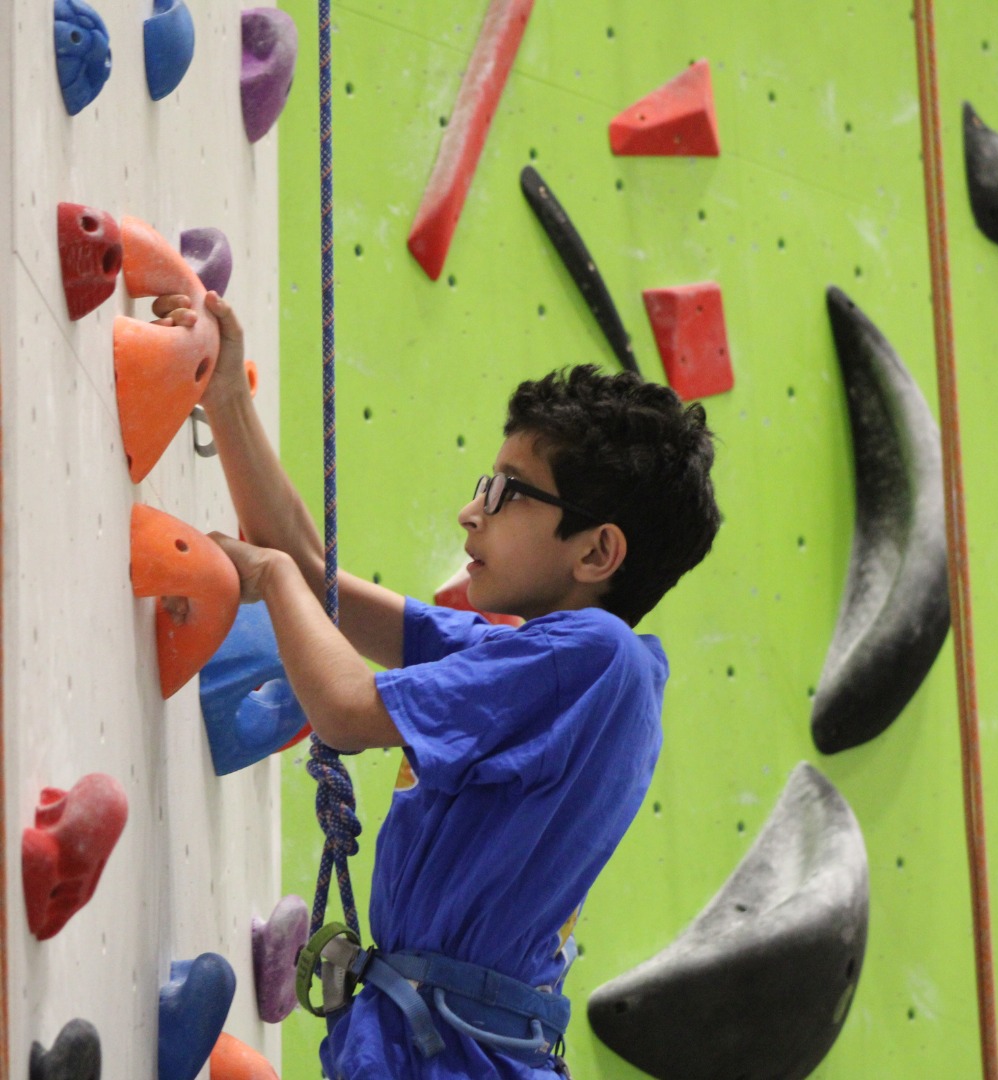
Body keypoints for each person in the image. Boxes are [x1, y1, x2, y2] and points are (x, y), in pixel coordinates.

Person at [153, 291, 722, 1079]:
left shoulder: (593, 658)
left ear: (596, 553)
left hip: (454, 1050)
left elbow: (346, 708)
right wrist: (227, 398)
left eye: (505, 491)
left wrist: (272, 579)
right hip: (435, 1036)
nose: (470, 512)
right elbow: (326, 586)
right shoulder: (544, 660)